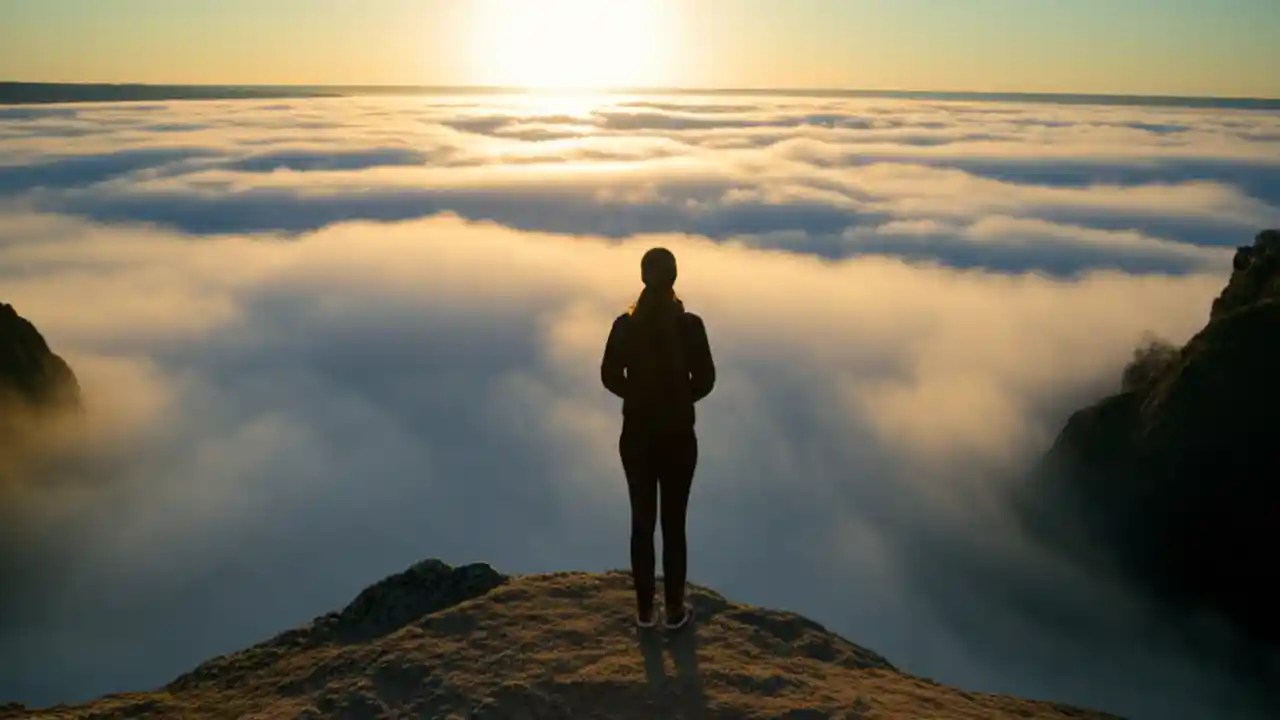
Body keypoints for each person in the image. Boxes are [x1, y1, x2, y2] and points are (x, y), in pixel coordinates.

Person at [601, 247, 715, 631]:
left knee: (641, 522)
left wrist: (636, 396)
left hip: (635, 435)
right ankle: (675, 610)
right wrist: (679, 399)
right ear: (675, 277)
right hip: (679, 435)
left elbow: (609, 375)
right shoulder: (690, 326)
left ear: (643, 277)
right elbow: (706, 380)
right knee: (674, 524)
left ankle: (645, 613)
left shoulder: (625, 325)